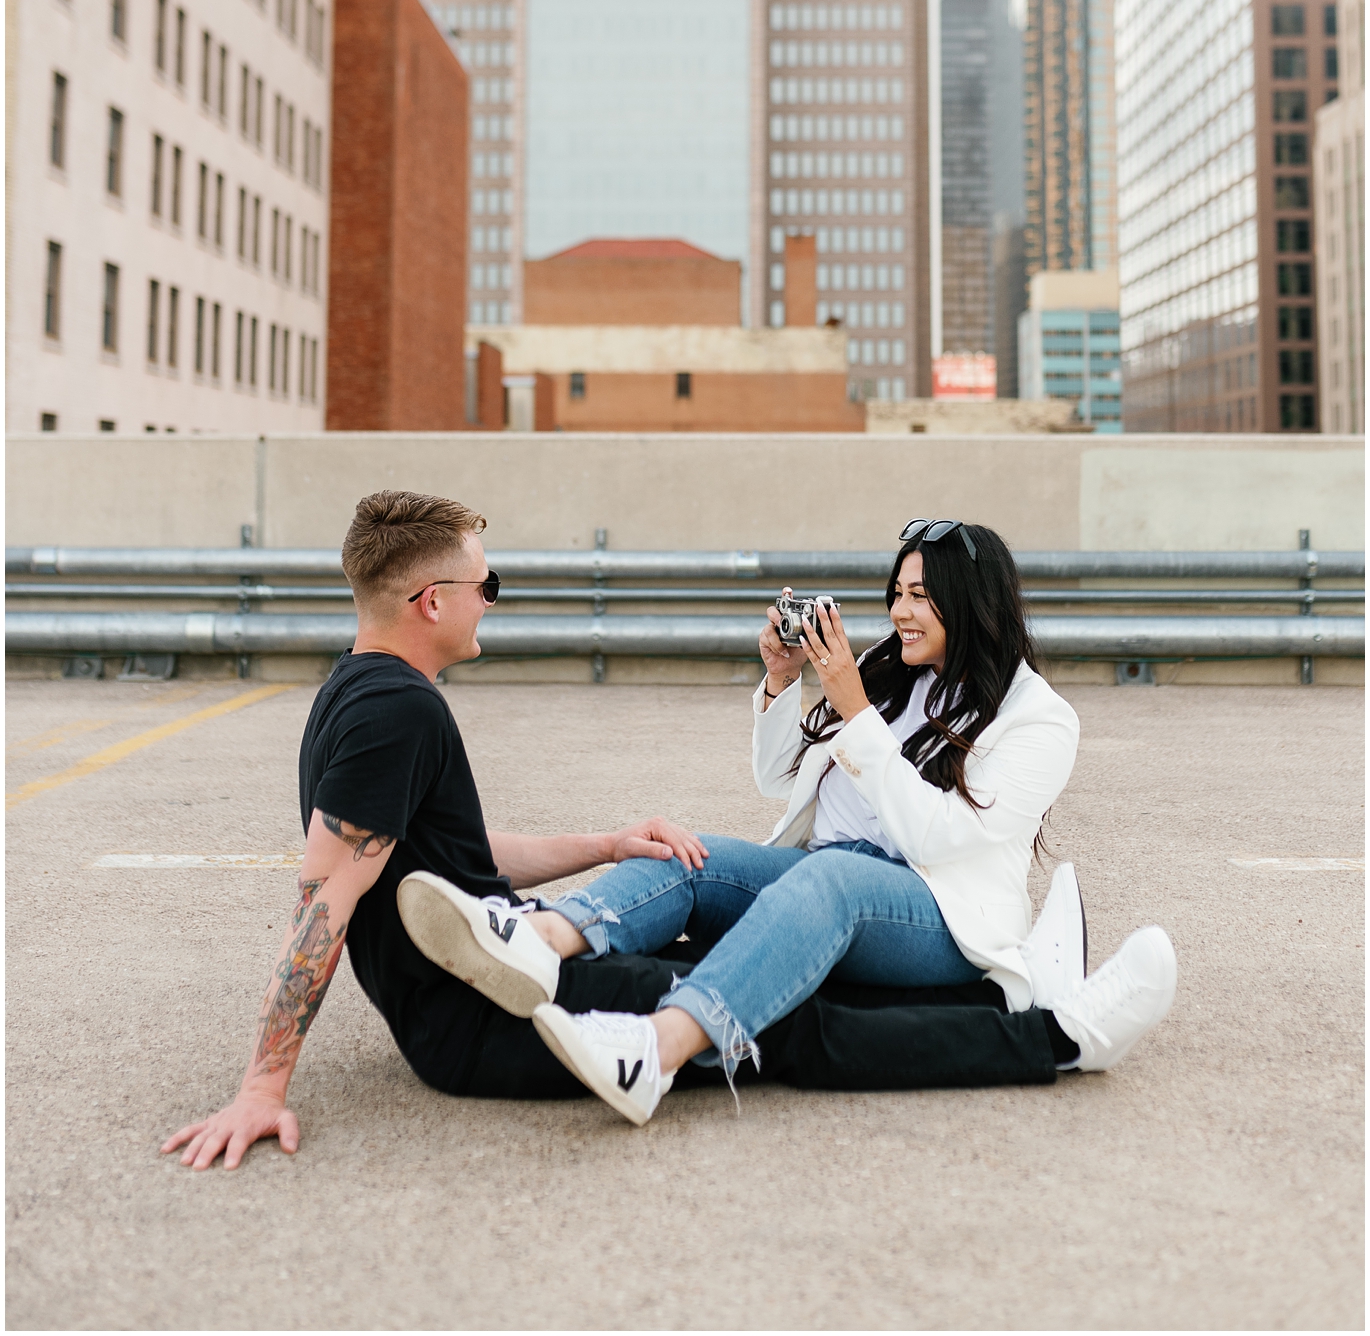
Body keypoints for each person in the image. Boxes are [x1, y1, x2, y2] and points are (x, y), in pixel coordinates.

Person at [163, 494, 1092, 1172]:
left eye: (919, 595)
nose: (495, 597)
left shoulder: (361, 693)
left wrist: (610, 844)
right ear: (431, 602)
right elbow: (325, 899)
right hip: (477, 1021)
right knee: (783, 1005)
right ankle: (1035, 1032)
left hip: (921, 905)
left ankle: (556, 953)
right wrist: (261, 1087)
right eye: (490, 583)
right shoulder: (395, 716)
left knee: (729, 907)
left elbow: (457, 855)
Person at [402, 517, 1178, 1127]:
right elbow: (779, 777)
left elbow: (939, 838)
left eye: (919, 595)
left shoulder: (1040, 720)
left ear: (970, 603)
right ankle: (540, 943)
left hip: (940, 916)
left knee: (834, 877)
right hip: (829, 879)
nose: (899, 612)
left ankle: (654, 1051)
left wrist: (855, 708)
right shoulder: (891, 675)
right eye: (896, 593)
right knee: (684, 852)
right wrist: (782, 683)